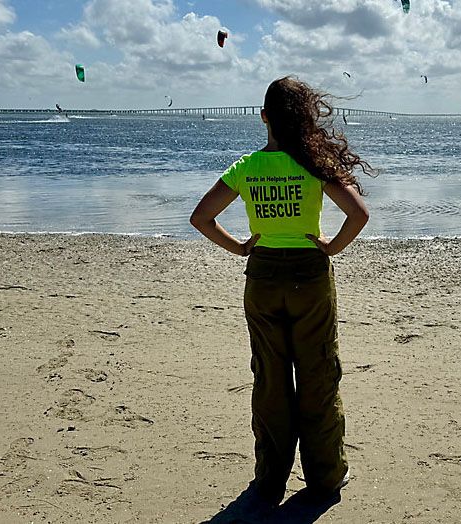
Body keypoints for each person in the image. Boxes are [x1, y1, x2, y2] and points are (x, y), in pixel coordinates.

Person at [189, 76, 372, 508]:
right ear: (304, 119)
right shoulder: (314, 165)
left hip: (263, 276)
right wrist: (330, 247)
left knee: (270, 380)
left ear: (264, 117)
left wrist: (239, 247)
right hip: (309, 275)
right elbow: (358, 215)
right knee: (318, 375)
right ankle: (326, 477)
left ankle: (270, 481)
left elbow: (201, 217)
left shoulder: (247, 167)